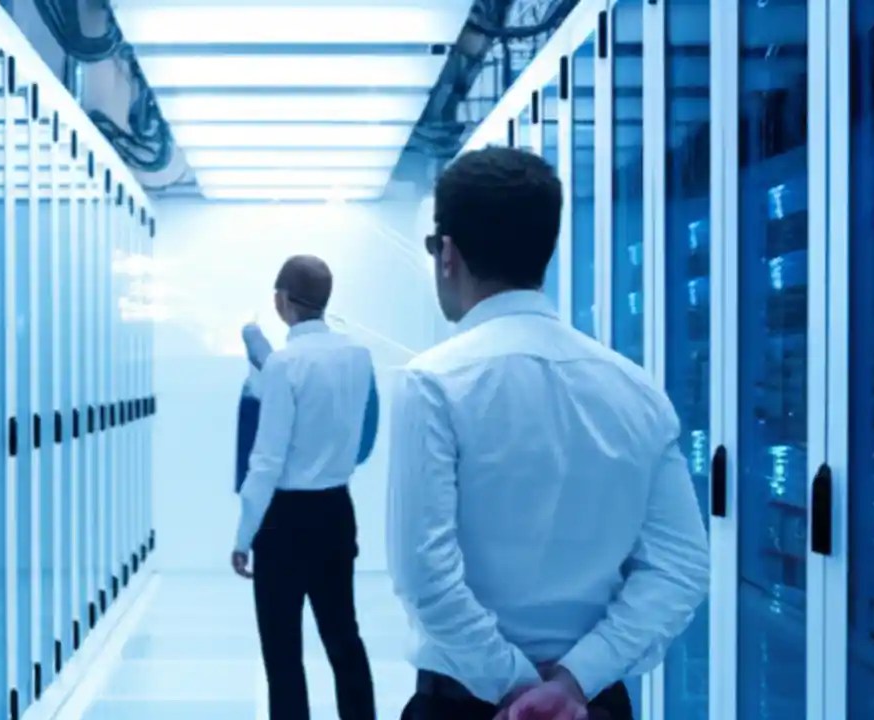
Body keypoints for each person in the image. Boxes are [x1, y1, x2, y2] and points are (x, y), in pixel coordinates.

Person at [387, 146, 710, 720]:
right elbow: (680, 567)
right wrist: (572, 683)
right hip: (592, 704)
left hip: (465, 704)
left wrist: (512, 685)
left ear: (447, 255)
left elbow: (423, 575)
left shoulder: (433, 383)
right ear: (548, 248)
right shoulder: (636, 390)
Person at [232, 255, 377, 720]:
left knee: (282, 651)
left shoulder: (284, 366)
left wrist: (243, 536)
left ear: (281, 302)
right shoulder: (358, 356)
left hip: (284, 522)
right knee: (343, 639)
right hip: (337, 511)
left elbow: (268, 460)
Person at [235, 321, 380, 493]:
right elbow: (362, 448)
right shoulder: (357, 358)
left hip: (288, 490)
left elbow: (263, 465)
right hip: (328, 492)